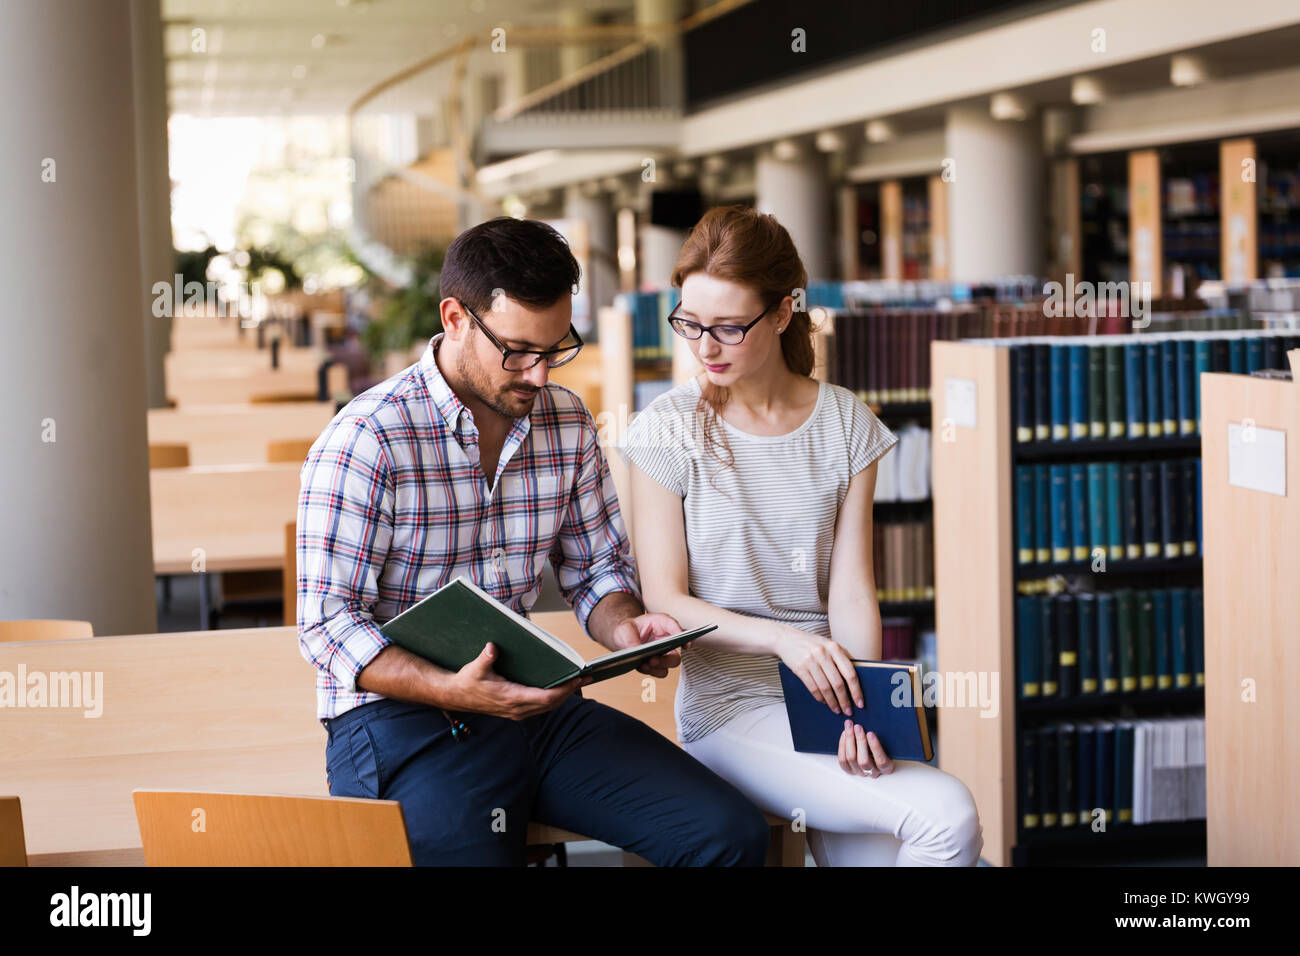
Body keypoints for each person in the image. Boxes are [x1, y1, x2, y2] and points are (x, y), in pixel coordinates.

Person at [296, 216, 770, 866]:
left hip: (532, 707)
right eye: (518, 351)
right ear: (456, 318)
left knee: (728, 834)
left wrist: (627, 628)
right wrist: (452, 689)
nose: (539, 375)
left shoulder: (567, 421)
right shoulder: (367, 440)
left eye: (555, 350)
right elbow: (325, 626)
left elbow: (597, 572)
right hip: (398, 720)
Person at [618, 205, 984, 866]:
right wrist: (786, 641)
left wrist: (860, 710)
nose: (705, 347)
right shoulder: (666, 429)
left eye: (729, 327)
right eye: (690, 323)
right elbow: (666, 601)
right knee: (949, 820)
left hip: (828, 700)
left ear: (784, 312)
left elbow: (850, 589)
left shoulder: (847, 422)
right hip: (729, 711)